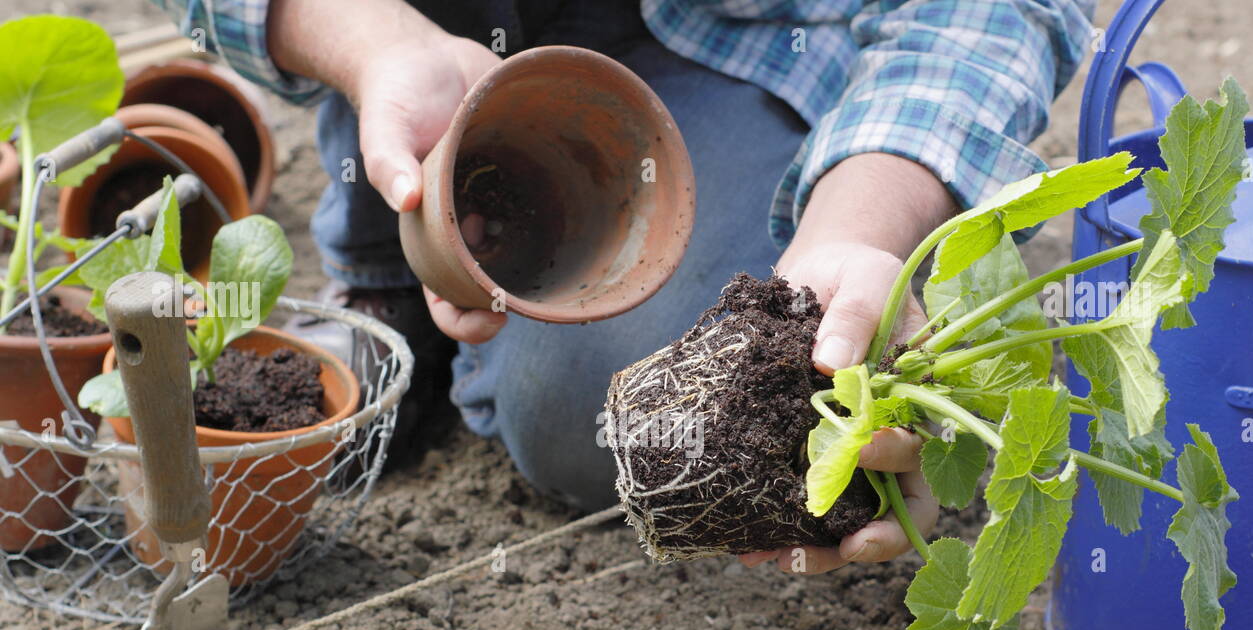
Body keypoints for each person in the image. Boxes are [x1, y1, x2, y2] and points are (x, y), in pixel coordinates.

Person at [153, 0, 1096, 572]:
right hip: (423, 24)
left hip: (731, 46)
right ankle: (388, 265)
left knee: (600, 415)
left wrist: (856, 225)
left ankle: (507, 311)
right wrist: (372, 44)